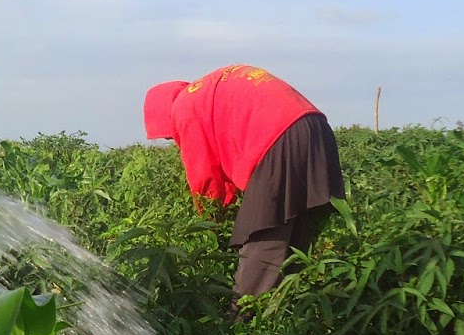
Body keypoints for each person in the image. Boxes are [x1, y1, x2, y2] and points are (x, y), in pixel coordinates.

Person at [144, 64, 345, 300]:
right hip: (316, 129)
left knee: (262, 238)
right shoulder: (205, 93)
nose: (171, 139)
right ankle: (289, 308)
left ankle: (244, 323)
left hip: (279, 136)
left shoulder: (184, 110)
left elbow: (206, 180)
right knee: (297, 237)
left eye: (168, 136)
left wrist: (213, 227)